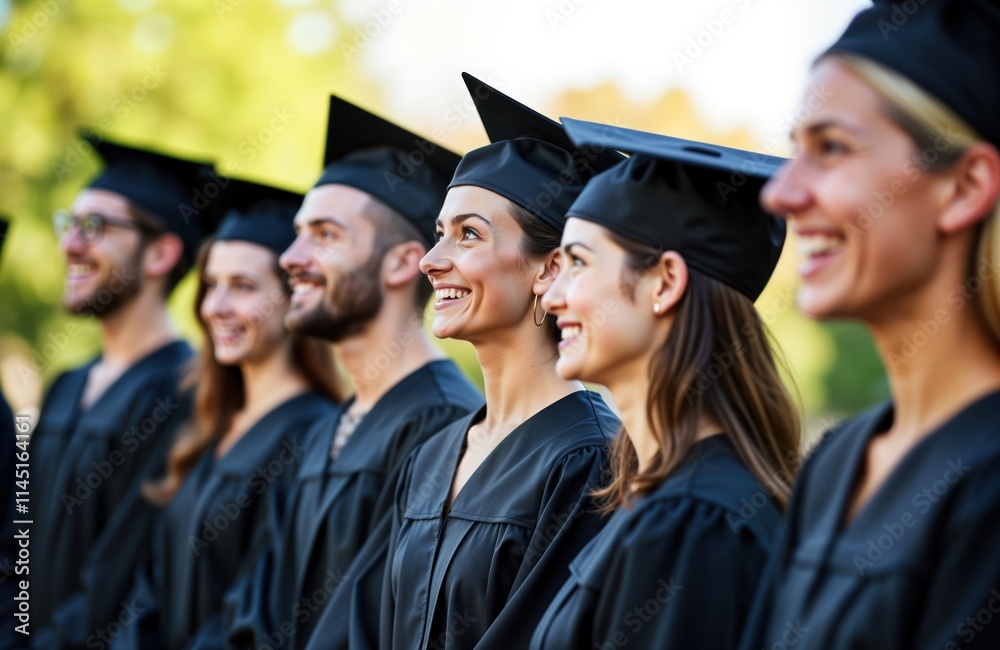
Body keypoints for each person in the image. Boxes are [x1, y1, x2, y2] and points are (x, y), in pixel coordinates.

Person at [740, 1, 1000, 648]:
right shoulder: (835, 464)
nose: (780, 193)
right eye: (794, 150)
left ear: (966, 187)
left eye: (831, 148)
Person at [528, 120, 801, 648]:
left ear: (666, 282)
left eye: (579, 263)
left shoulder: (694, 522)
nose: (551, 295)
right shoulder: (674, 496)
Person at [224, 95, 482, 650]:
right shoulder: (328, 429)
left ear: (400, 262)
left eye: (325, 234)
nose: (290, 257)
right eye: (298, 233)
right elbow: (252, 607)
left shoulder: (445, 427)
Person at [378, 74, 623, 650]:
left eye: (468, 235)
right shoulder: (433, 456)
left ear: (551, 269)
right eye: (439, 233)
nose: (432, 261)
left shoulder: (588, 463)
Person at [111, 178, 341, 649]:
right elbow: (147, 592)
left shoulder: (312, 435)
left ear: (294, 294)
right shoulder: (208, 425)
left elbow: (260, 614)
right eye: (211, 285)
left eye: (243, 286)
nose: (215, 307)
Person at [30, 132, 216, 647]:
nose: (70, 244)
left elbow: (122, 577)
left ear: (160, 253)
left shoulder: (185, 393)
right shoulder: (66, 386)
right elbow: (14, 540)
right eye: (69, 224)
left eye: (94, 227)